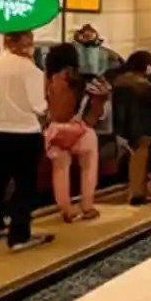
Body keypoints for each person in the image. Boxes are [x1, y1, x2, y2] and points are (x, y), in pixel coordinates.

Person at [0, 31, 52, 252]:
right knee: (25, 185)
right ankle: (19, 236)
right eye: (28, 42)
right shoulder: (30, 70)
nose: (31, 46)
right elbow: (38, 106)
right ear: (16, 42)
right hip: (24, 132)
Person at [43, 43, 110, 223]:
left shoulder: (47, 81)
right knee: (88, 167)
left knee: (60, 170)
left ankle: (66, 209)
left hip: (55, 129)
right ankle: (87, 206)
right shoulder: (83, 80)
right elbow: (95, 112)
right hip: (81, 129)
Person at [111, 51, 151, 205]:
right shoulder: (148, 88)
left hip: (124, 129)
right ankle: (137, 193)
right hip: (144, 128)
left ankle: (139, 189)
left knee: (134, 160)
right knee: (141, 159)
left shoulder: (118, 83)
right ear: (147, 67)